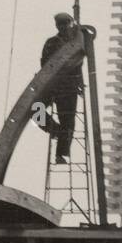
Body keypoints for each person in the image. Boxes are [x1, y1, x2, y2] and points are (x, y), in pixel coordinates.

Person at [40, 11, 85, 163]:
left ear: (70, 24)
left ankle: (61, 153)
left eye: (66, 24)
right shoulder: (51, 42)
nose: (63, 27)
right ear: (57, 26)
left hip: (69, 88)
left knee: (68, 121)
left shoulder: (76, 43)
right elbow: (44, 63)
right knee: (35, 109)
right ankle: (55, 131)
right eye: (60, 24)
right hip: (53, 85)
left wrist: (79, 84)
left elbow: (78, 65)